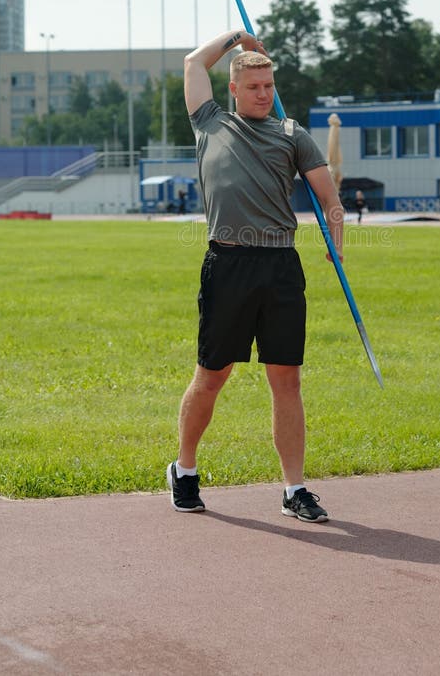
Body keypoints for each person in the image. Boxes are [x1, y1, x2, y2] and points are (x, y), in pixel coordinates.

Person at [167, 29, 344, 523]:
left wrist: (337, 242)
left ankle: (295, 489)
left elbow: (330, 200)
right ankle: (184, 469)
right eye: (254, 87)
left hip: (281, 266)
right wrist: (236, 39)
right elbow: (192, 64)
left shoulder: (293, 135)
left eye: (268, 86)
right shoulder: (210, 124)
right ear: (235, 90)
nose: (263, 94)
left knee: (286, 380)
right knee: (212, 376)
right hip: (228, 265)